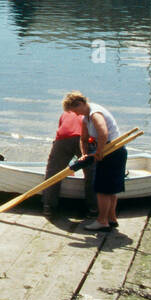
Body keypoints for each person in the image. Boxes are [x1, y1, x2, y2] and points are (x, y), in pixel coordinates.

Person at [64, 91, 125, 232]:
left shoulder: (95, 114)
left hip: (112, 151)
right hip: (109, 150)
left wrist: (99, 151)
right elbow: (83, 138)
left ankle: (102, 221)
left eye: (75, 111)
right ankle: (111, 218)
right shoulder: (86, 117)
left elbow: (103, 133)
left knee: (103, 189)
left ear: (80, 104)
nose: (76, 115)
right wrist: (84, 154)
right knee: (110, 189)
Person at [42, 105, 85, 216]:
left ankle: (49, 206)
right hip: (83, 138)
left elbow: (61, 131)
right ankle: (94, 209)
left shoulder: (65, 114)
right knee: (91, 171)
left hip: (64, 139)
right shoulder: (86, 113)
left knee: (53, 171)